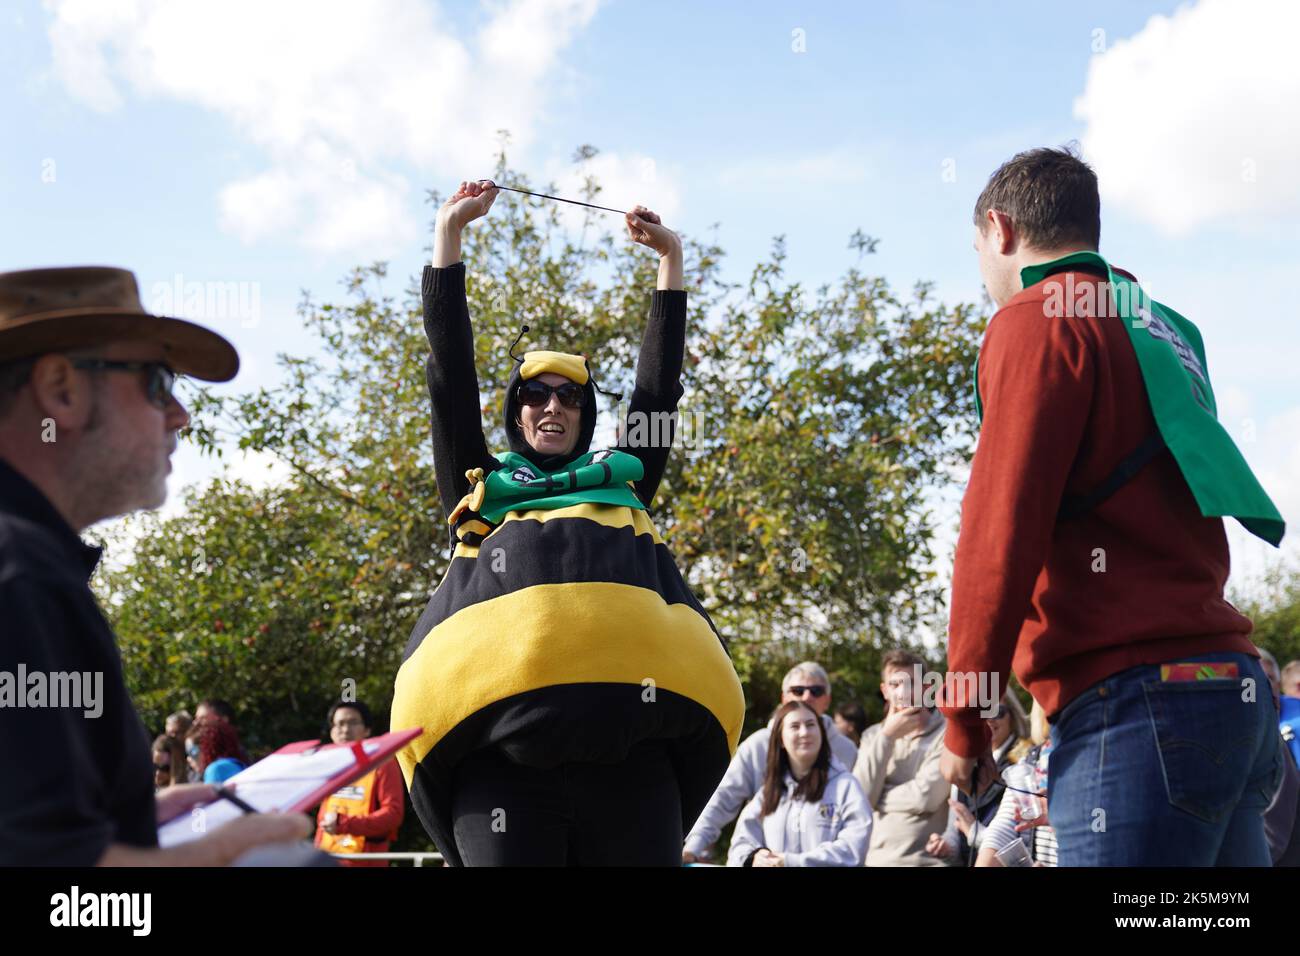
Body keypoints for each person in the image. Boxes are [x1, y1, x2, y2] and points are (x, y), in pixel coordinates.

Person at [939, 146, 1285, 866]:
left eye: (977, 251)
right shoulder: (1163, 327)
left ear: (1000, 230)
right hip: (1233, 692)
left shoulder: (1035, 320)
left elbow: (997, 535)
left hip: (1135, 709)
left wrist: (965, 721)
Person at [390, 180, 745, 866]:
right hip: (499, 769)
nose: (551, 408)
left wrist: (670, 260)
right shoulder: (481, 483)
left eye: (569, 398)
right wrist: (448, 236)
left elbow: (658, 389)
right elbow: (449, 375)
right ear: (514, 410)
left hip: (634, 768)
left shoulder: (624, 477)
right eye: (534, 395)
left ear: (585, 414)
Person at [0, 265, 310, 864]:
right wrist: (223, 852)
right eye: (156, 381)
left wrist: (138, 816)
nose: (180, 414)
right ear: (61, 390)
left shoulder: (30, 564)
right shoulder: (19, 573)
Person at [683, 661, 859, 863]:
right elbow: (723, 799)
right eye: (798, 690)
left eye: (816, 691)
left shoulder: (847, 751)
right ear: (784, 699)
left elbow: (857, 819)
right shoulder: (757, 746)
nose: (806, 697)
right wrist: (694, 846)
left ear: (827, 700)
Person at [727, 700, 872, 867]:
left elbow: (853, 849)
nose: (804, 733)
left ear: (821, 733)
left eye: (811, 725)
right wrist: (754, 858)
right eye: (795, 726)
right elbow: (741, 841)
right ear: (780, 739)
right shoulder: (770, 791)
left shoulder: (846, 786)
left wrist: (791, 862)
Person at [854, 649, 949, 866]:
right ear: (884, 690)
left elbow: (926, 797)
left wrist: (879, 797)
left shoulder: (947, 733)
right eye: (895, 685)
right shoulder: (872, 736)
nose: (903, 692)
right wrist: (886, 737)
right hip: (874, 861)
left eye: (911, 683)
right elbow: (860, 801)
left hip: (928, 861)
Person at [927, 691, 1029, 865]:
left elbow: (1025, 841)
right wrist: (945, 847)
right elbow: (955, 832)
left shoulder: (1025, 763)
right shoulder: (964, 766)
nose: (988, 719)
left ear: (1012, 715)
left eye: (996, 711)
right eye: (979, 712)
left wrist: (977, 834)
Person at [315, 701, 406, 867]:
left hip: (366, 861)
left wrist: (344, 824)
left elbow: (393, 815)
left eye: (353, 722)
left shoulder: (383, 763)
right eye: (339, 724)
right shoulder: (329, 764)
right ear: (332, 731)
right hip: (326, 858)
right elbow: (323, 817)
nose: (345, 729)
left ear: (367, 730)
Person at [187, 716, 247, 784]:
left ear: (207, 748)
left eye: (192, 752)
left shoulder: (216, 769)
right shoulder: (234, 764)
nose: (188, 758)